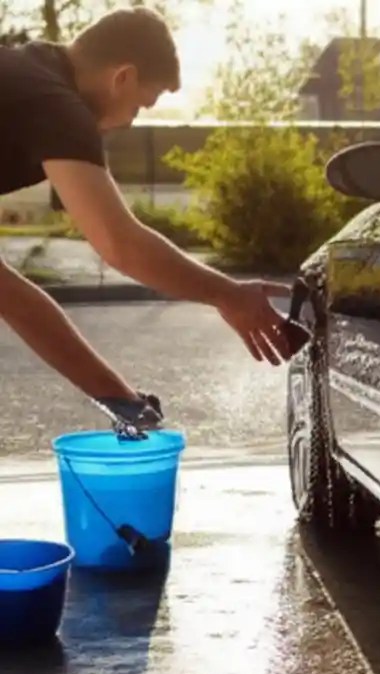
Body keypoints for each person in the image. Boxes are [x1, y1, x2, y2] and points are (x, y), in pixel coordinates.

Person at [0, 8, 294, 428]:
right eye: (140, 106)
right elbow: (120, 244)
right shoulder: (56, 106)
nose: (130, 122)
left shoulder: (28, 77)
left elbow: (11, 297)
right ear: (123, 77)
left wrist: (120, 399)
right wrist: (227, 294)